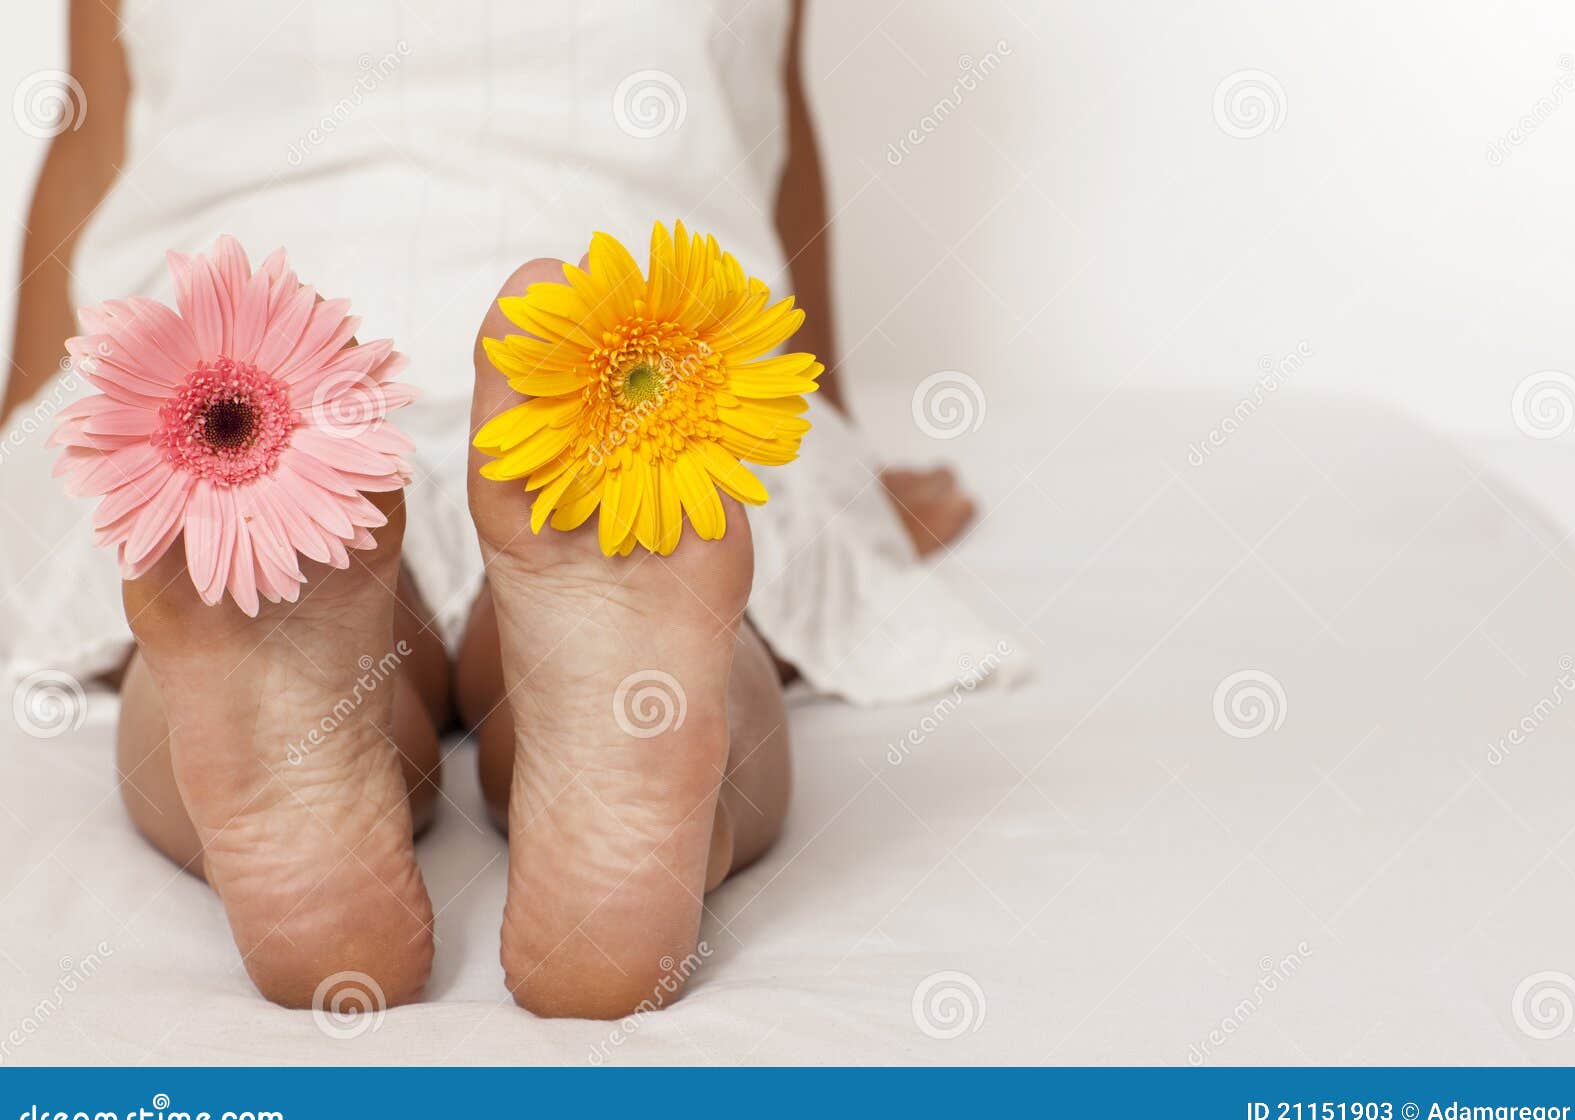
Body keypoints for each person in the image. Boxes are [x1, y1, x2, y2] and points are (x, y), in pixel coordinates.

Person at [0, 0, 988, 1019]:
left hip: (228, 385)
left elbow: (89, 138)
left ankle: (294, 756)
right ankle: (636, 769)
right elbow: (764, 135)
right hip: (638, 368)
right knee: (696, 626)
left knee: (243, 581)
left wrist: (19, 431)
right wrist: (831, 438)